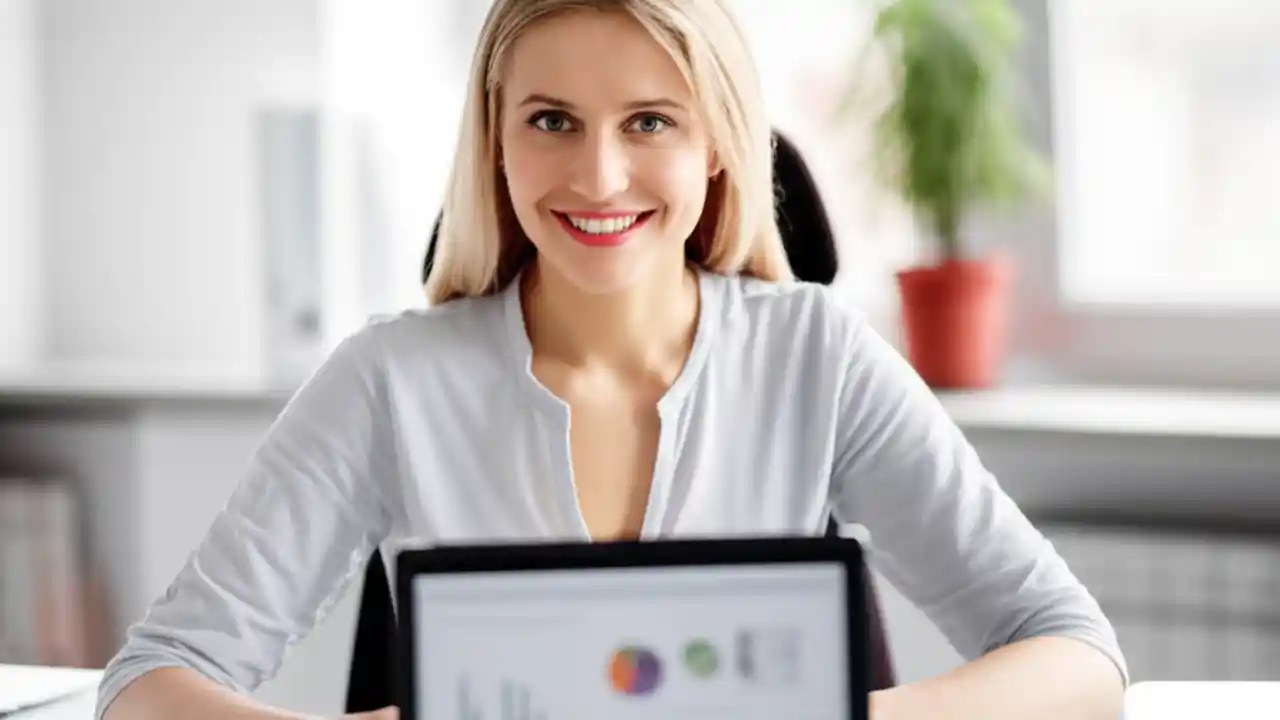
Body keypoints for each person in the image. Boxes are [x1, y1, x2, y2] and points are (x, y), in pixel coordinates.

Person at [97, 1, 1127, 719]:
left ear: (715, 141)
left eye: (649, 122)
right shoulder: (388, 381)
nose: (598, 176)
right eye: (551, 121)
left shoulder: (817, 355)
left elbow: (1075, 658)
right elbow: (148, 684)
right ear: (494, 141)